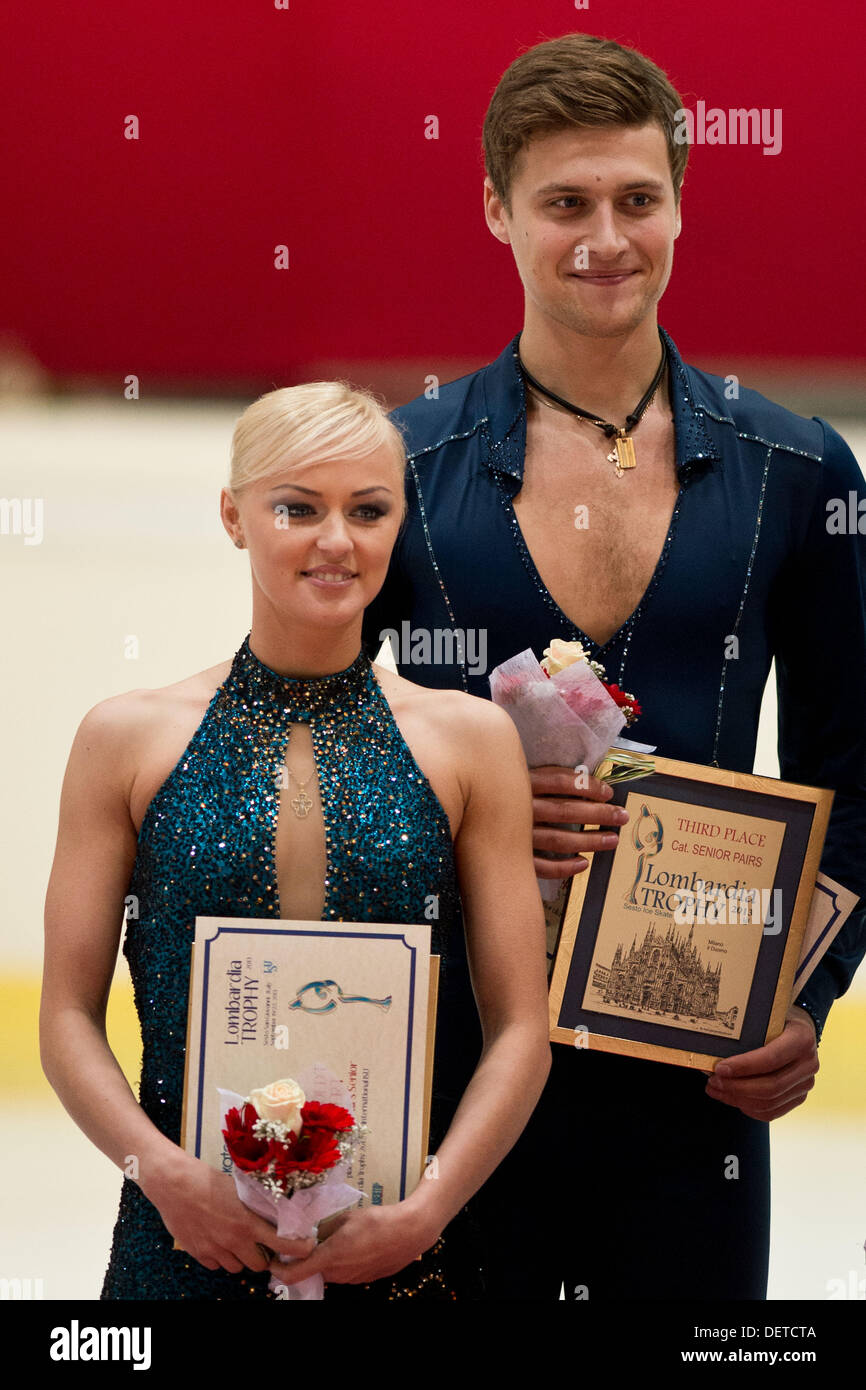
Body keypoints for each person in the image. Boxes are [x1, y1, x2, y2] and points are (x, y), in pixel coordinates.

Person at [362, 32, 866, 1299]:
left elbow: (852, 759)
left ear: (680, 207)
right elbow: (307, 744)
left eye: (636, 199)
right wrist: (457, 815)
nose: (605, 236)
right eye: (564, 203)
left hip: (691, 1082)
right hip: (449, 1062)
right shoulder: (394, 473)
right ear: (495, 209)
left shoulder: (798, 473)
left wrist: (806, 993)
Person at [40, 380, 551, 1300]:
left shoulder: (471, 743)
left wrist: (426, 1211)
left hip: (397, 1252)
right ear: (234, 517)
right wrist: (159, 1173)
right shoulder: (126, 738)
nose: (335, 541)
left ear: (401, 522)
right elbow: (67, 1016)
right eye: (297, 508)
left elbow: (522, 1029)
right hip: (185, 1240)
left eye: (367, 510)